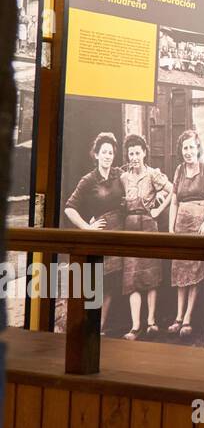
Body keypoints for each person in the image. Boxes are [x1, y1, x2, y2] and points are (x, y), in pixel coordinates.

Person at [64, 132, 125, 333]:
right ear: (96, 155)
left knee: (112, 283)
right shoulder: (88, 180)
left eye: (111, 153)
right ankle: (87, 324)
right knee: (98, 281)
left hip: (119, 236)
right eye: (104, 152)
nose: (108, 156)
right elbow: (69, 208)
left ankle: (100, 326)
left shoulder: (119, 174)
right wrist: (87, 227)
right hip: (100, 237)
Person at [119, 134, 173, 340]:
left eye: (137, 152)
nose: (134, 157)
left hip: (149, 225)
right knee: (132, 276)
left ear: (144, 153)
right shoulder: (123, 177)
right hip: (130, 227)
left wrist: (158, 210)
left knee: (151, 275)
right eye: (131, 153)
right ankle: (135, 326)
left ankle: (151, 322)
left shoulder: (153, 174)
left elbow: (172, 189)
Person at [168, 130, 204, 339]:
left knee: (194, 270)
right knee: (180, 270)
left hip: (199, 226)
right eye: (184, 148)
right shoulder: (178, 171)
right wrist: (171, 229)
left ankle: (187, 318)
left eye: (191, 147)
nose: (188, 152)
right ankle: (177, 316)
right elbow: (174, 201)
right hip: (181, 226)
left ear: (198, 148)